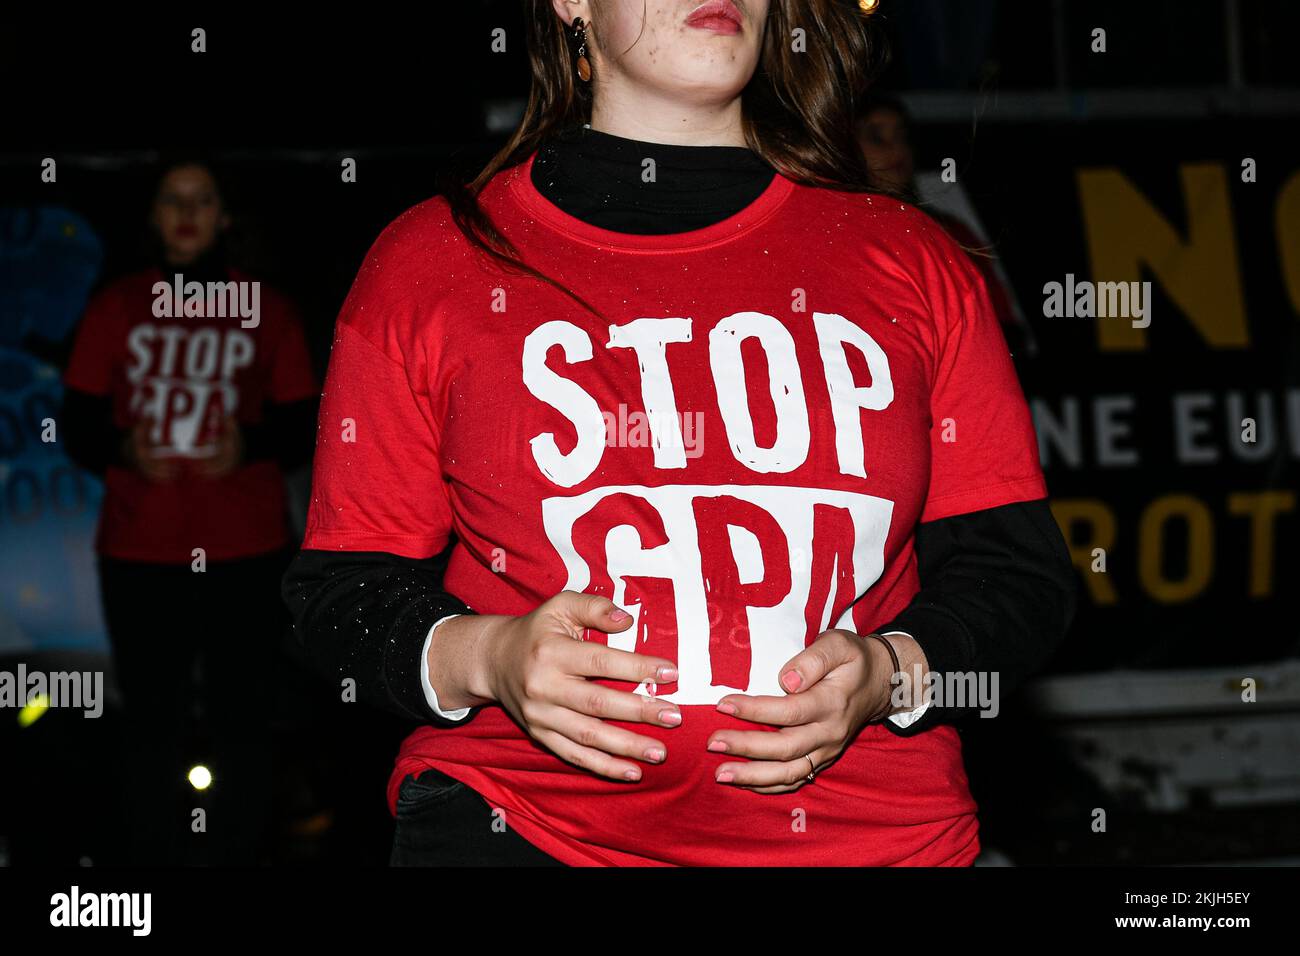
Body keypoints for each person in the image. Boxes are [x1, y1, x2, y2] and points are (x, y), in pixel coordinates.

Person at [285, 0, 1076, 867]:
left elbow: (1018, 578)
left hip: (871, 841)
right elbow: (340, 594)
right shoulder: (434, 261)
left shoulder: (910, 259)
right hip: (529, 829)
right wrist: (492, 654)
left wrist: (893, 672)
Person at [61, 156, 319, 864]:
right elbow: (76, 423)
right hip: (140, 552)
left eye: (202, 199)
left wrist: (250, 442)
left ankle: (238, 855)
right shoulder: (117, 305)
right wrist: (122, 448)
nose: (186, 213)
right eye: (172, 199)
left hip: (245, 550)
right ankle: (145, 873)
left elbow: (307, 423)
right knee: (150, 723)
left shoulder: (267, 307)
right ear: (151, 214)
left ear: (225, 213)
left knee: (244, 722)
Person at [854, 92, 1033, 353]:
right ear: (845, 149)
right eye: (876, 137)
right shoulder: (835, 235)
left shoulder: (947, 231)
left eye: (903, 137)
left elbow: (1002, 324)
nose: (896, 149)